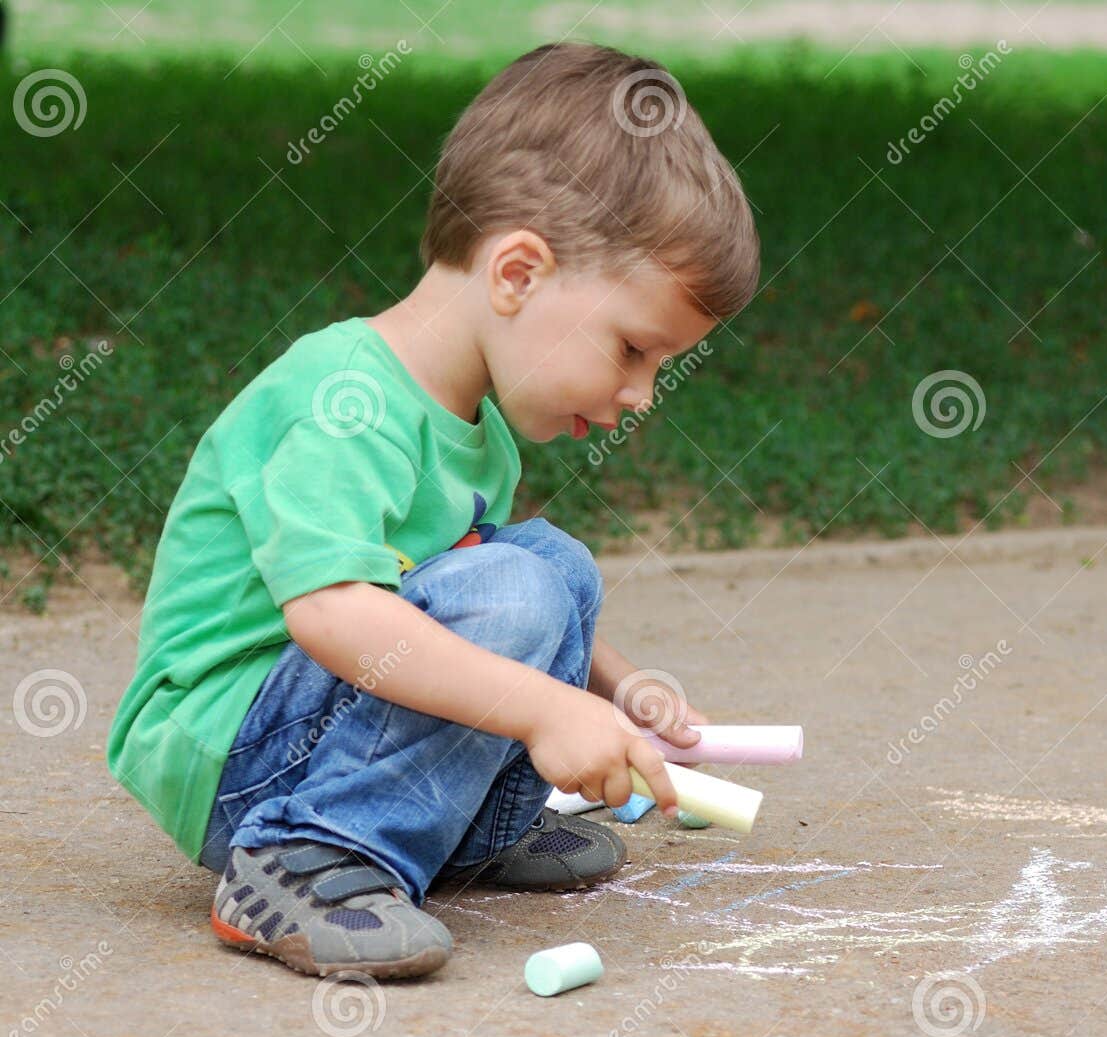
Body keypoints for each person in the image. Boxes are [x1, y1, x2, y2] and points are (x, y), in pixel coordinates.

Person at [106, 42, 760, 979]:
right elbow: (335, 612)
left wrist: (614, 693)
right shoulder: (344, 398)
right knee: (513, 588)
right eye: (632, 350)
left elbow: (474, 581)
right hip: (235, 751)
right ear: (518, 274)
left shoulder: (478, 423)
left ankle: (459, 832)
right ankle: (304, 858)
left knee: (553, 566)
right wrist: (543, 708)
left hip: (316, 724)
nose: (643, 396)